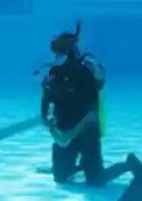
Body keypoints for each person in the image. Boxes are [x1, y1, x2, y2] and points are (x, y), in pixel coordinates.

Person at [38, 23, 133, 187]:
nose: (57, 57)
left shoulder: (85, 73)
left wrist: (70, 134)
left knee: (96, 181)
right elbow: (45, 110)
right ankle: (76, 166)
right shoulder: (52, 75)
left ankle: (128, 164)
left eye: (61, 52)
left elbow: (93, 112)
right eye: (56, 52)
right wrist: (56, 134)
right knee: (61, 179)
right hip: (64, 131)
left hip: (86, 133)